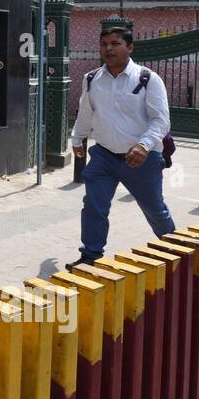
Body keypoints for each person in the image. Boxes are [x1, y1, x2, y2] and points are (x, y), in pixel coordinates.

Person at [69, 27, 176, 268]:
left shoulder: (147, 78)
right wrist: (78, 140)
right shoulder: (91, 78)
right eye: (104, 43)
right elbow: (86, 113)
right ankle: (90, 256)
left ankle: (175, 252)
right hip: (103, 156)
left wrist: (144, 145)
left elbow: (161, 120)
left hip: (141, 159)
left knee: (154, 209)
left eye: (115, 43)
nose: (108, 48)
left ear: (129, 47)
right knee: (94, 206)